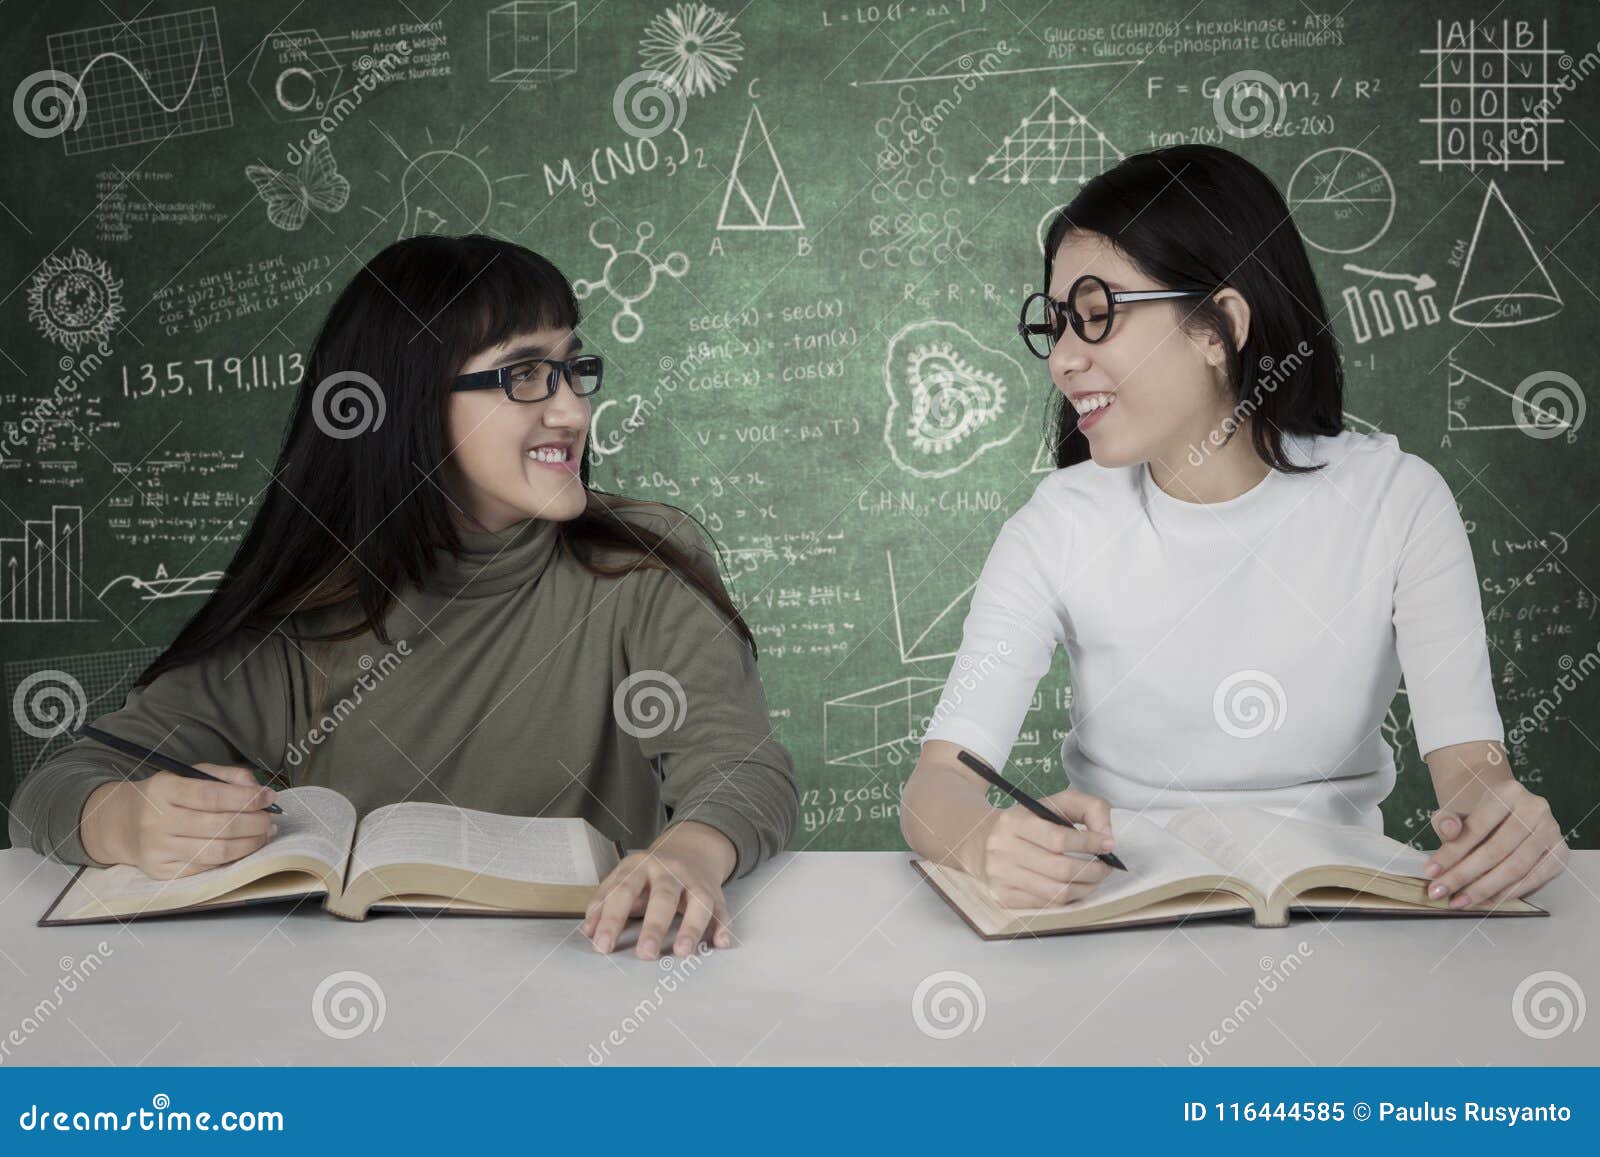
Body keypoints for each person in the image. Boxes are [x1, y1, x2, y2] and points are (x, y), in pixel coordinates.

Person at [8, 234, 798, 960]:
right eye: (524, 375)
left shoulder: (642, 564)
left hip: (596, 981)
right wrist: (126, 820)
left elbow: (741, 768)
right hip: (337, 1008)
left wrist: (686, 854)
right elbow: (56, 784)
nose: (572, 410)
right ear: (412, 402)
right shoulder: (309, 617)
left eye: (570, 368)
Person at [901, 145, 1568, 911]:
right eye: (1056, 326)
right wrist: (982, 841)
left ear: (1219, 328)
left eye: (1096, 316)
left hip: (1342, 916)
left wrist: (1503, 822)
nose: (1062, 361)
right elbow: (938, 781)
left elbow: (1475, 774)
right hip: (1121, 912)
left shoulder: (1398, 501)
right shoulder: (1057, 526)